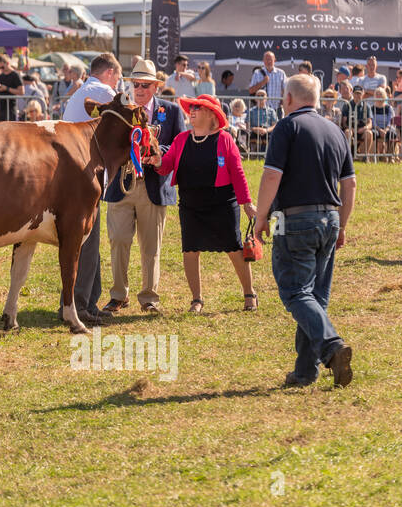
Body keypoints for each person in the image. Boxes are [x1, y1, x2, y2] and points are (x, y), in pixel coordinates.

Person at [255, 73, 356, 388]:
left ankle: (332, 346)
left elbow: (272, 177)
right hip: (330, 218)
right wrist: (343, 223)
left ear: (287, 99)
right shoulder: (335, 130)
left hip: (294, 220)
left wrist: (260, 220)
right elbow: (350, 184)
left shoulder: (286, 127)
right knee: (314, 297)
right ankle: (305, 372)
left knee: (296, 292)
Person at [146, 94, 258, 313]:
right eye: (192, 108)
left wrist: (247, 204)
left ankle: (249, 293)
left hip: (223, 203)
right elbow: (165, 165)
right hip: (190, 204)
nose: (192, 111)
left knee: (234, 249)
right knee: (190, 250)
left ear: (211, 114)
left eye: (198, 108)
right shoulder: (181, 140)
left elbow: (238, 173)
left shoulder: (225, 139)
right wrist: (156, 160)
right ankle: (196, 299)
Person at [101, 57, 185, 316]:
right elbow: (103, 144)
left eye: (145, 85)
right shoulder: (118, 109)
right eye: (135, 84)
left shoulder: (170, 112)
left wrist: (159, 153)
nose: (139, 89)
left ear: (156, 87)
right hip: (121, 185)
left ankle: (149, 297)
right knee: (118, 241)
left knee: (151, 246)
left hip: (153, 185)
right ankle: (118, 295)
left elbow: (179, 145)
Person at [62, 52, 123, 325]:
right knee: (85, 244)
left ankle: (89, 299)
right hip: (87, 176)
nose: (118, 85)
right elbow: (125, 116)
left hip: (76, 174)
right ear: (109, 72)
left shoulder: (80, 93)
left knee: (90, 242)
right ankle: (79, 304)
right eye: (118, 78)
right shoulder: (103, 90)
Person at [368, 88, 400, 160]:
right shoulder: (372, 108)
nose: (379, 96)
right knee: (374, 133)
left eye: (381, 94)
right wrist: (380, 130)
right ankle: (374, 157)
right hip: (376, 128)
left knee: (392, 134)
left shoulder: (389, 108)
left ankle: (390, 156)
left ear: (384, 96)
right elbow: (372, 121)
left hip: (387, 128)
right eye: (377, 94)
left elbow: (391, 120)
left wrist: (386, 129)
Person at [245, 87, 278, 153]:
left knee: (271, 136)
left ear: (266, 98)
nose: (260, 97)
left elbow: (274, 125)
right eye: (258, 95)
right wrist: (254, 129)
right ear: (255, 98)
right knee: (250, 136)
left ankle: (266, 154)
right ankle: (253, 154)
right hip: (254, 130)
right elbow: (247, 125)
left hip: (267, 130)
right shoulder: (251, 111)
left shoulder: (271, 111)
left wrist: (266, 130)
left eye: (262, 95)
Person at [0, 53, 23, 122]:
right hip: (0, 108)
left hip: (10, 108)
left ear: (8, 63)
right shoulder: (0, 76)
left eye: (2, 67)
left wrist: (6, 88)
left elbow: (21, 91)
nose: (1, 69)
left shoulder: (15, 75)